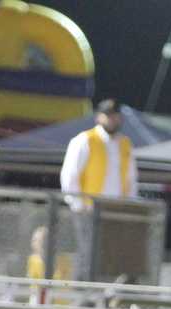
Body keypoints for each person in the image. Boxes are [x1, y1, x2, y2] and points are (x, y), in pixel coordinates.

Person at [59, 98, 138, 281]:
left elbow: (131, 179)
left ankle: (102, 295)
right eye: (108, 116)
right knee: (89, 253)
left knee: (109, 256)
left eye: (115, 116)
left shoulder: (125, 143)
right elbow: (70, 175)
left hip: (115, 210)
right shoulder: (85, 140)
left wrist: (129, 206)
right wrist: (77, 203)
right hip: (89, 208)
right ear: (98, 117)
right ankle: (83, 295)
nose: (112, 120)